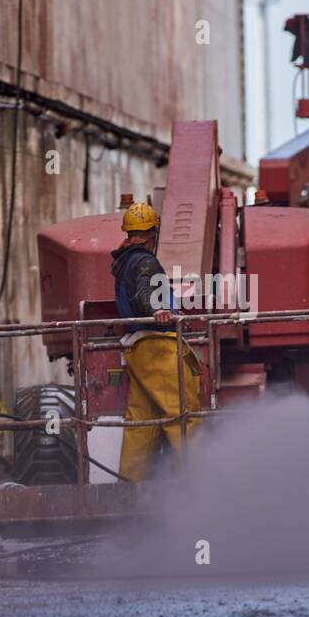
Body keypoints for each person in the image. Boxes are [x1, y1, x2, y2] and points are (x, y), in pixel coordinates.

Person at [109, 201, 201, 480]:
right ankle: (203, 488)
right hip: (158, 346)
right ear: (153, 234)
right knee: (184, 417)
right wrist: (157, 310)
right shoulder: (146, 261)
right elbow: (146, 291)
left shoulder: (123, 262)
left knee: (142, 424)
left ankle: (128, 489)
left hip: (137, 348)